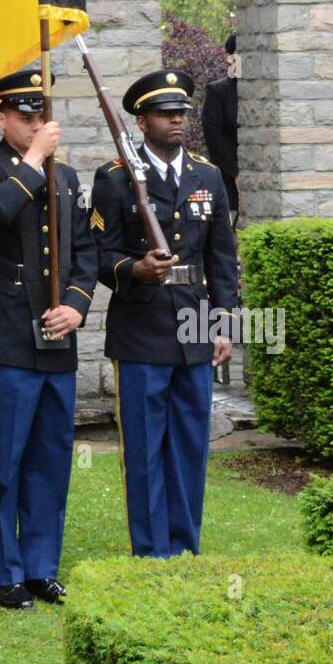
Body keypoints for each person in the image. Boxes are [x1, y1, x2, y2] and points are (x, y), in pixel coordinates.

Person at [0, 69, 98, 610]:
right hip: (6, 336)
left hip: (56, 335)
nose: (36, 122)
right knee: (5, 460)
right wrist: (36, 157)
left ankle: (41, 566)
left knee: (50, 457)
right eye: (24, 114)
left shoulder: (64, 176)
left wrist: (77, 307)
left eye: (40, 113)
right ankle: (7, 573)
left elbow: (84, 250)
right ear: (1, 115)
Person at [89, 67, 238, 559]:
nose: (177, 121)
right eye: (165, 114)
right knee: (147, 450)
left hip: (194, 326)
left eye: (181, 113)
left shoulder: (207, 175)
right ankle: (152, 553)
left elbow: (221, 259)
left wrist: (225, 323)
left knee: (191, 448)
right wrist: (135, 268)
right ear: (141, 119)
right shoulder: (115, 178)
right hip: (141, 328)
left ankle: (185, 547)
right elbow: (97, 256)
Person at [202, 33, 239, 223]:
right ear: (230, 57)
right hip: (228, 176)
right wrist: (236, 174)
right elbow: (214, 137)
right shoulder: (218, 91)